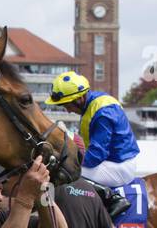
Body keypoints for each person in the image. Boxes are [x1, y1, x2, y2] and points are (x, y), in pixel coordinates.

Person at [45, 71, 138, 219]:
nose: (67, 110)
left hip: (119, 166)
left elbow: (96, 155)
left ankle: (113, 199)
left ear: (80, 98)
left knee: (66, 172)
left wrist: (69, 162)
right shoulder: (91, 105)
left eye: (67, 105)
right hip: (109, 162)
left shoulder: (103, 113)